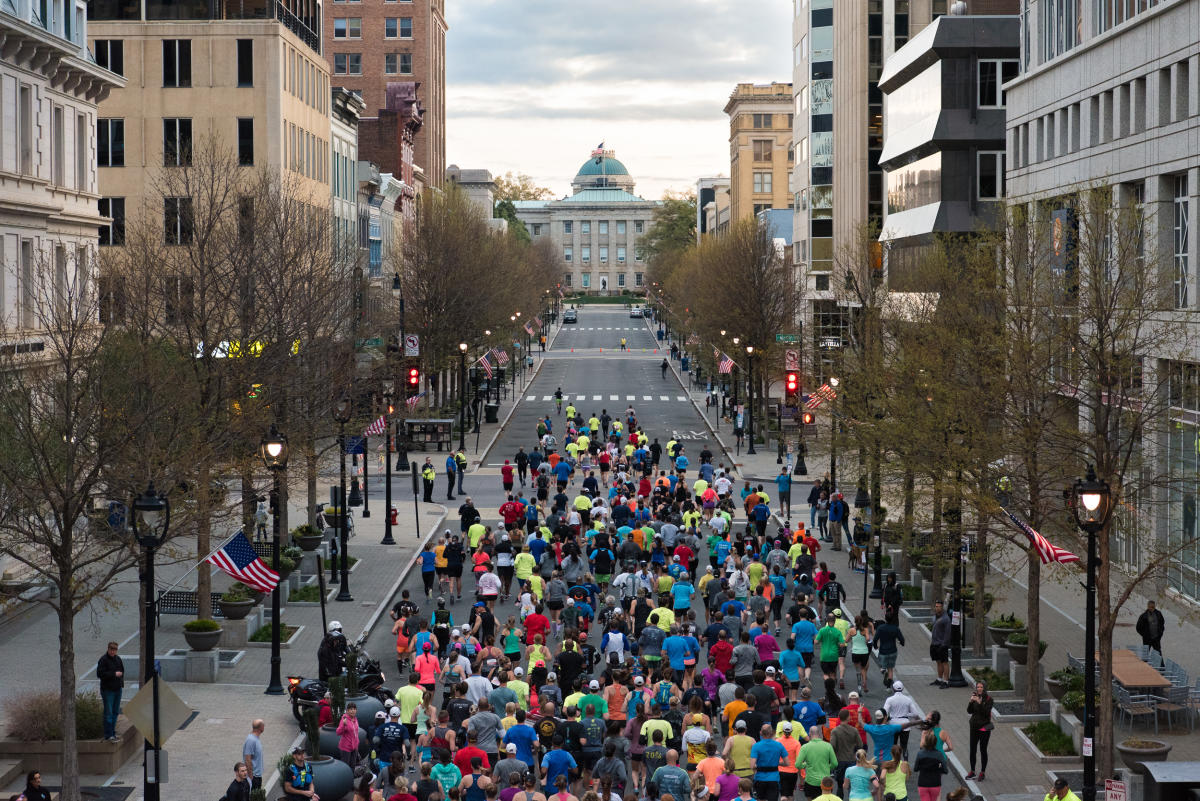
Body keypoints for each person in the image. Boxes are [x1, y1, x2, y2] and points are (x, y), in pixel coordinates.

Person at [795, 726, 837, 800]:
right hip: (825, 781)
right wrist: (827, 767)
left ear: (810, 734)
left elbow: (798, 764)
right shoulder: (828, 746)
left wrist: (805, 764)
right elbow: (835, 763)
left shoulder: (805, 747)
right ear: (819, 734)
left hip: (811, 782)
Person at [750, 724, 788, 801]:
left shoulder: (756, 746)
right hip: (774, 779)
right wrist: (778, 763)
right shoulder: (779, 745)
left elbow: (752, 765)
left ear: (761, 733)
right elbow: (787, 763)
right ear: (772, 733)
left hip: (760, 778)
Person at [965, 681, 994, 781]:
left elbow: (986, 713)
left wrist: (980, 702)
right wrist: (971, 701)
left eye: (981, 687)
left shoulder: (989, 699)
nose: (979, 689)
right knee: (972, 749)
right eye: (978, 687)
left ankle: (982, 772)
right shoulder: (975, 696)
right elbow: (969, 711)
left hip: (984, 728)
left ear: (984, 688)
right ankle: (972, 771)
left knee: (983, 750)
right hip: (974, 727)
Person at [96, 641, 124, 742]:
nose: (113, 651)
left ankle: (112, 732)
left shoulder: (118, 659)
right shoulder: (103, 660)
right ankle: (108, 735)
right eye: (111, 649)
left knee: (115, 712)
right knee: (109, 712)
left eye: (114, 649)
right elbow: (100, 674)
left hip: (117, 689)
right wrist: (113, 674)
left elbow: (122, 671)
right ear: (108, 649)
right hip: (108, 690)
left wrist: (121, 683)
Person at [913, 731, 947, 801]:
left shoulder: (920, 754)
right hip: (935, 784)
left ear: (925, 742)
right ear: (935, 743)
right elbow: (945, 770)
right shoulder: (939, 755)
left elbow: (915, 769)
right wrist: (939, 768)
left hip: (923, 784)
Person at [929, 602, 950, 688]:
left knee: (944, 662)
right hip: (934, 643)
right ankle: (939, 679)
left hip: (942, 644)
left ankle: (946, 681)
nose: (937, 608)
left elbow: (948, 633)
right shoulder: (935, 617)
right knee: (938, 662)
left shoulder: (946, 619)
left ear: (942, 608)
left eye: (939, 606)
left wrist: (944, 644)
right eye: (936, 606)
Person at [243, 719, 265, 789]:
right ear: (261, 727)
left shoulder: (255, 738)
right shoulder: (251, 740)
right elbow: (247, 759)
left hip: (257, 776)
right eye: (263, 725)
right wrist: (251, 777)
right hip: (254, 777)